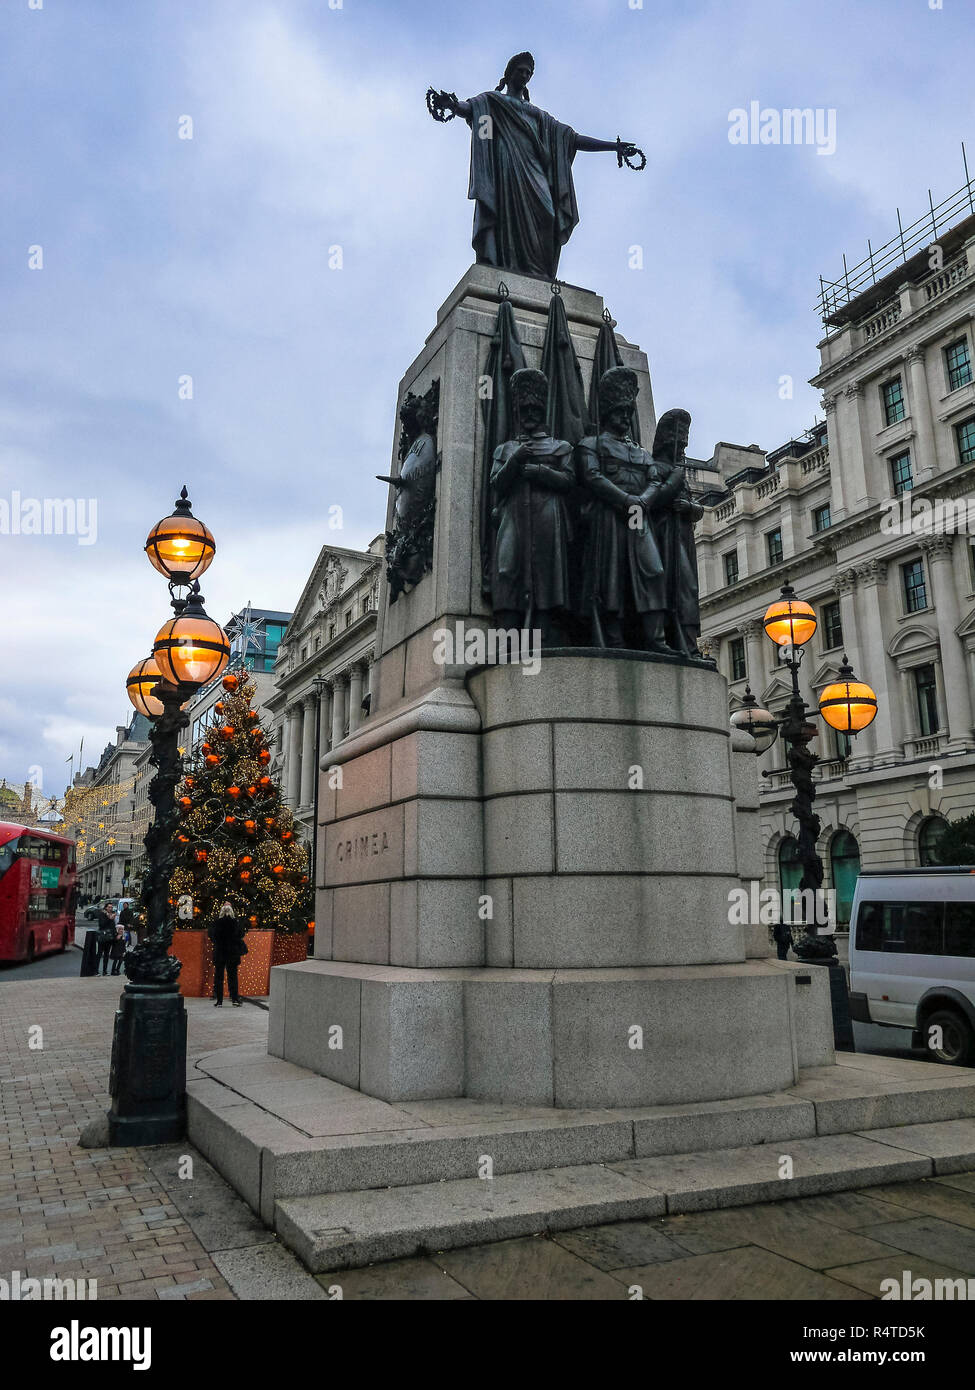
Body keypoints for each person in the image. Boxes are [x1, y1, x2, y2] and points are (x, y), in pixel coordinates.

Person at [429, 53, 641, 279]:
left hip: (535, 171)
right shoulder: (493, 102)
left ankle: (539, 274)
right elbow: (476, 116)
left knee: (548, 214)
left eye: (528, 73)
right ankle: (507, 266)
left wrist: (613, 147)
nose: (525, 75)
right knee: (506, 215)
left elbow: (571, 139)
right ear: (509, 74)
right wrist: (453, 105)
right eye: (521, 70)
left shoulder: (540, 116)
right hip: (506, 166)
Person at [209, 902, 247, 1007]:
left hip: (220, 953)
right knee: (233, 977)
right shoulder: (236, 923)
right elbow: (241, 934)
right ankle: (234, 999)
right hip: (232, 953)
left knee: (219, 977)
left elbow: (212, 936)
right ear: (231, 911)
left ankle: (219, 1001)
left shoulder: (217, 923)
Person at [94, 902, 117, 977]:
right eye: (109, 907)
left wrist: (115, 935)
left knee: (107, 955)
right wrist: (109, 919)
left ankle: (105, 971)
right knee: (99, 954)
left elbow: (113, 927)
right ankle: (96, 971)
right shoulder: (102, 914)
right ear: (106, 908)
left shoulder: (112, 915)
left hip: (109, 938)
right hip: (103, 937)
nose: (111, 908)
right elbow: (102, 925)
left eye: (111, 907)